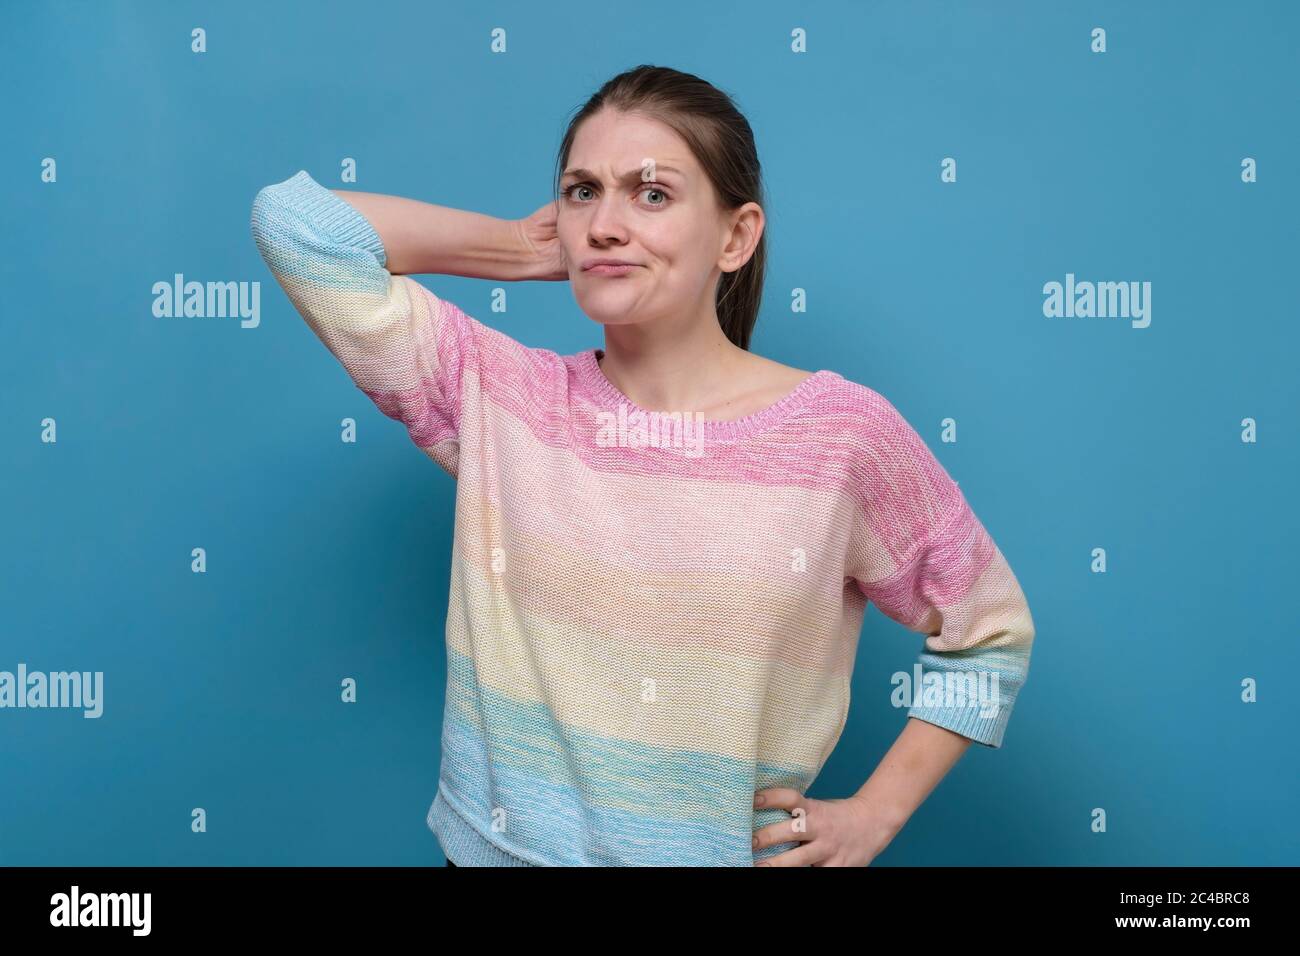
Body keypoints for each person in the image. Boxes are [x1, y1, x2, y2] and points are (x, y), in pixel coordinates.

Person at [250, 64, 1035, 866]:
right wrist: (525, 246)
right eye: (583, 191)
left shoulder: (842, 438)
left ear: (736, 235)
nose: (605, 224)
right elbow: (298, 225)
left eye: (652, 193)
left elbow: (991, 632)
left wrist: (874, 816)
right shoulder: (498, 398)